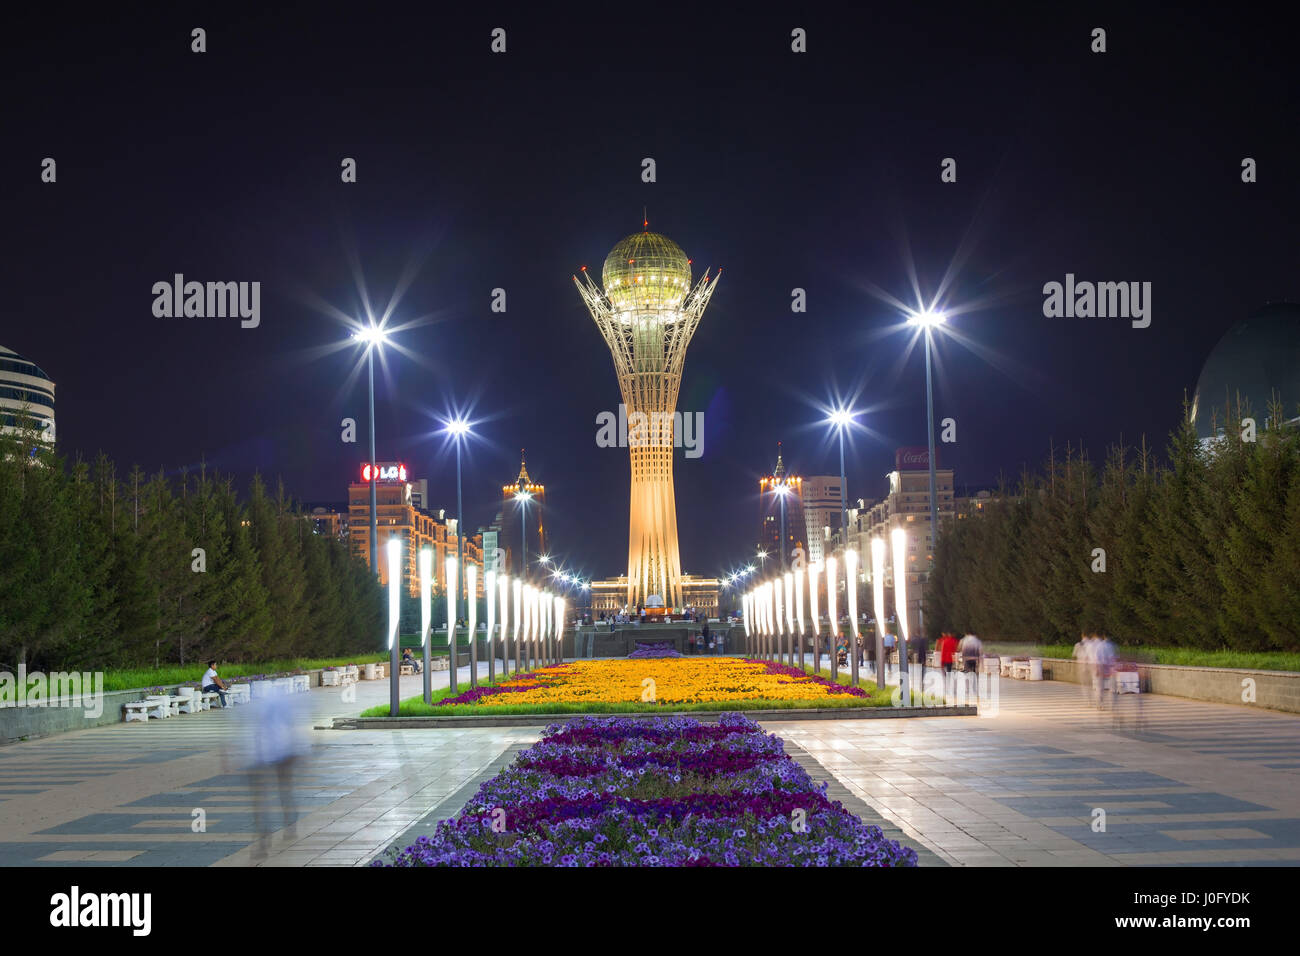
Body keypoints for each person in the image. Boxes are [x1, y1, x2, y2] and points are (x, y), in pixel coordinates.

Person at [958, 633, 983, 699]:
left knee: (967, 674)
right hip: (974, 659)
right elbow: (980, 651)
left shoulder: (964, 640)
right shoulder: (977, 640)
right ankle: (974, 689)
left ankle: (967, 689)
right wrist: (980, 661)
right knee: (974, 674)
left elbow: (959, 648)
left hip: (966, 659)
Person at [937, 632, 959, 699]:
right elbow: (956, 649)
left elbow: (943, 651)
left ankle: (947, 685)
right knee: (949, 671)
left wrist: (942, 662)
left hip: (946, 658)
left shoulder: (945, 641)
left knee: (946, 673)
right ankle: (950, 685)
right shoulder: (954, 641)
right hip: (951, 658)